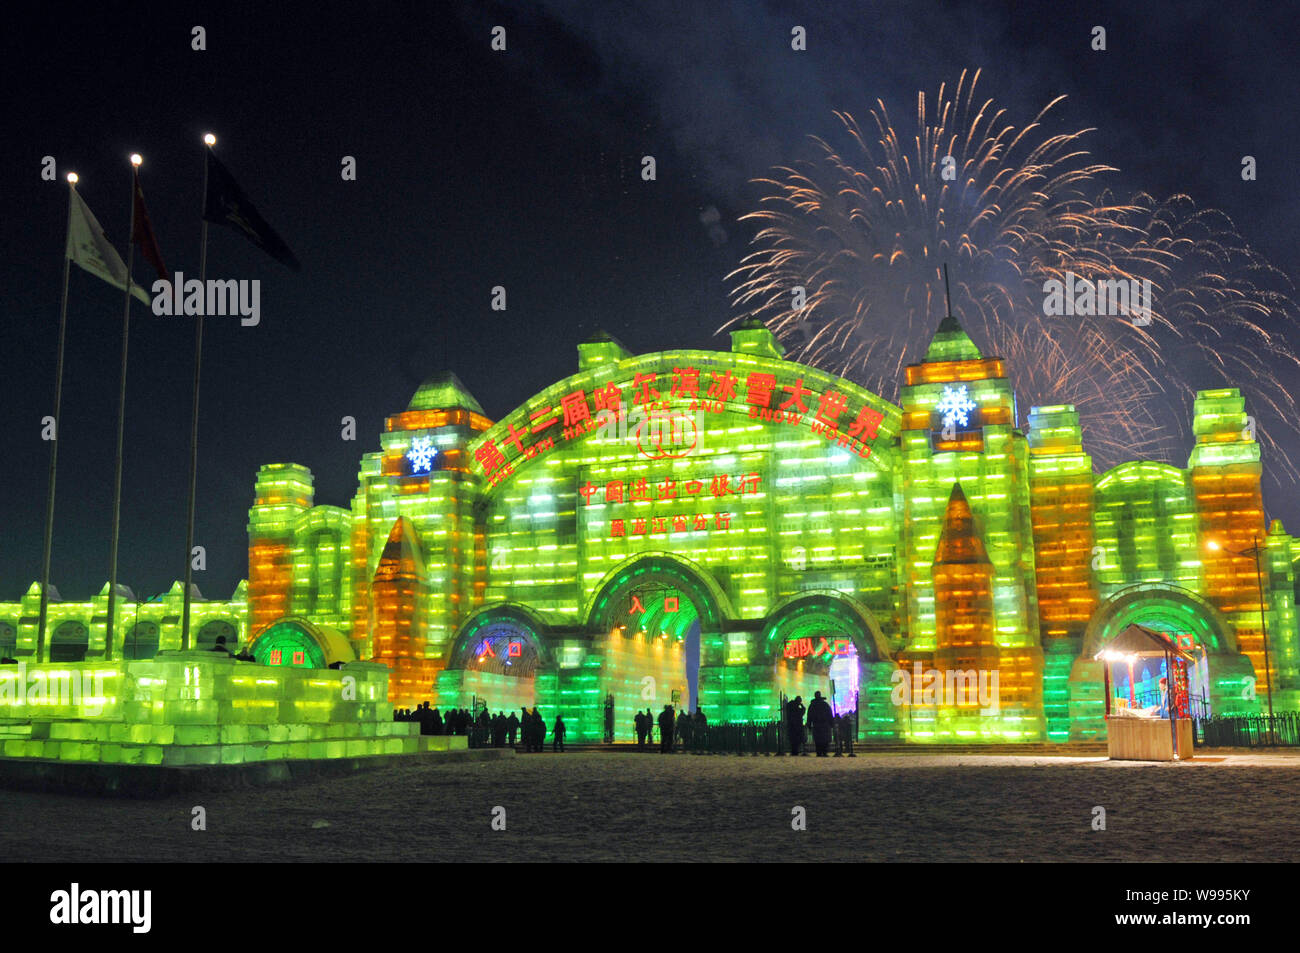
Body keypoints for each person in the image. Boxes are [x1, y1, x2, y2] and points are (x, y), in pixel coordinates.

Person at [807, 691, 834, 757]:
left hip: (817, 725)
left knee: (818, 740)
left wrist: (809, 725)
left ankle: (819, 752)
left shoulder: (812, 705)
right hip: (824, 725)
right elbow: (829, 714)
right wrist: (831, 723)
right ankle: (824, 752)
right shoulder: (825, 704)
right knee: (825, 740)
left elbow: (809, 716)